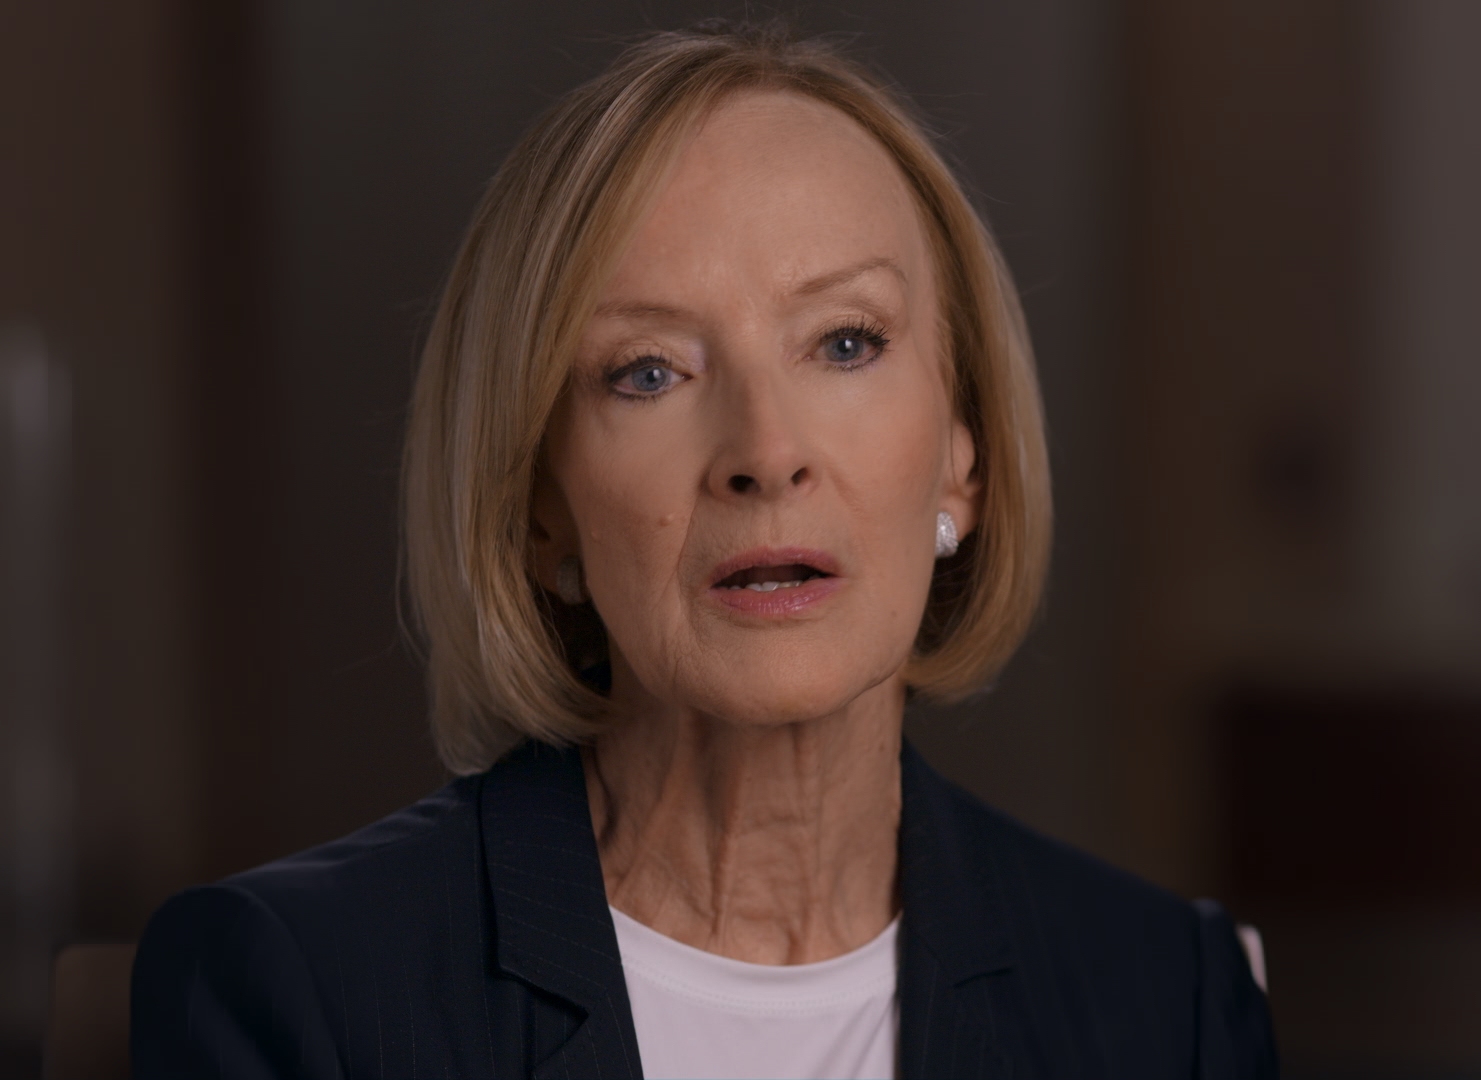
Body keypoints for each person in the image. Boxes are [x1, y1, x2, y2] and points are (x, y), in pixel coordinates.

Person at [131, 22, 1277, 1079]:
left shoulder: (1165, 998)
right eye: (650, 371)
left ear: (960, 465)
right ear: (541, 511)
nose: (766, 453)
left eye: (844, 342)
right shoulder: (302, 988)